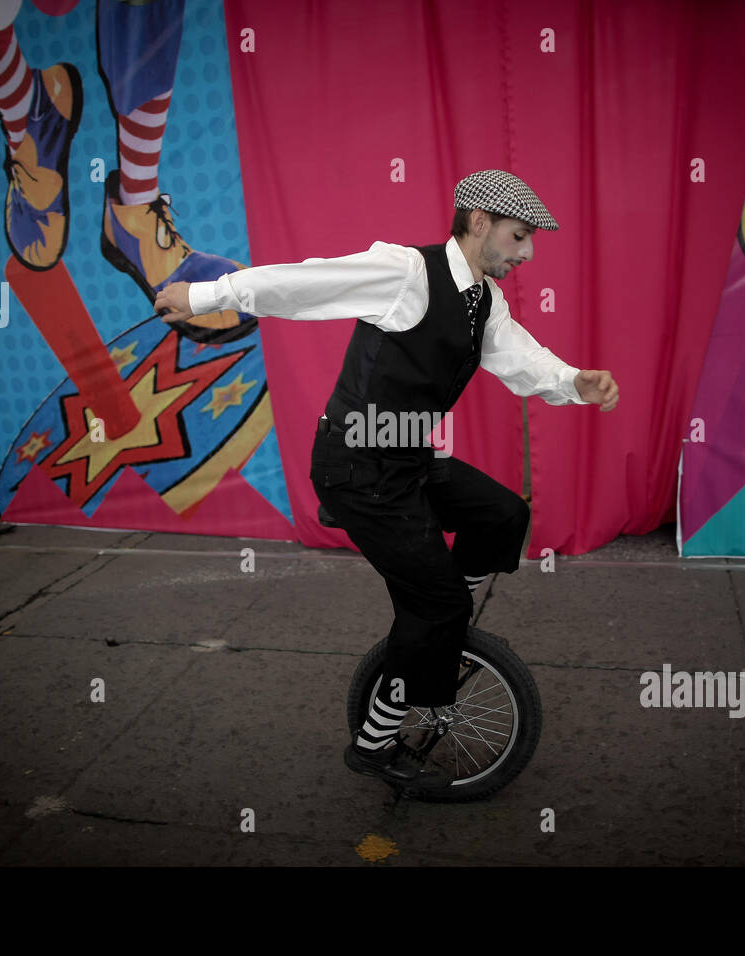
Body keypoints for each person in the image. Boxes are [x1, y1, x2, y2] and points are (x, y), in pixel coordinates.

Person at [154, 170, 618, 791]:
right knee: (437, 603)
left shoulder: (485, 298)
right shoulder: (405, 272)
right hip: (356, 466)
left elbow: (520, 357)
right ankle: (375, 742)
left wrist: (573, 382)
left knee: (503, 514)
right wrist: (206, 296)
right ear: (478, 221)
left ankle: (439, 629)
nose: (528, 251)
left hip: (404, 458)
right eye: (520, 235)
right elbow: (303, 283)